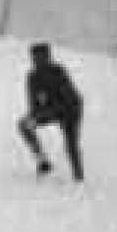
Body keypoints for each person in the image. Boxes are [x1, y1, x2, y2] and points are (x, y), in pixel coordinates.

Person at [18, 42, 85, 181]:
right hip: (51, 111)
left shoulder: (58, 72)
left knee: (71, 144)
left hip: (71, 110)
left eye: (41, 58)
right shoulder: (32, 77)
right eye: (35, 58)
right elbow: (33, 104)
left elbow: (68, 99)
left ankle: (78, 176)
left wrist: (47, 111)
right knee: (24, 124)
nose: (37, 61)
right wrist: (34, 117)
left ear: (48, 57)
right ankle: (43, 162)